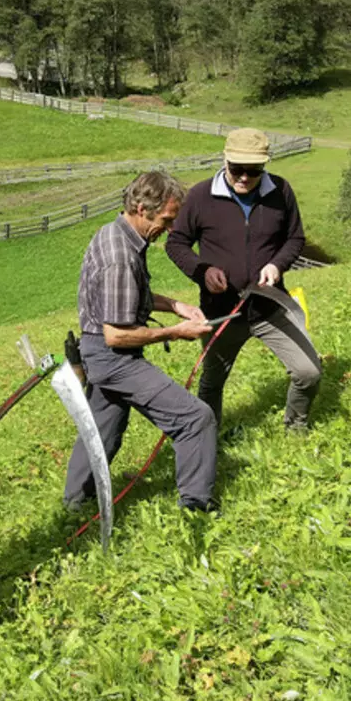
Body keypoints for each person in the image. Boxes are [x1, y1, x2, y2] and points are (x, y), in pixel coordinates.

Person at [63, 172, 220, 512]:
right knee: (195, 419)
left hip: (98, 354)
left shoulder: (117, 234)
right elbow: (116, 334)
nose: (170, 227)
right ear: (140, 208)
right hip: (112, 356)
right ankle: (196, 507)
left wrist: (176, 306)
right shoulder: (120, 255)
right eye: (166, 219)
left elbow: (132, 294)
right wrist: (175, 332)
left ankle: (75, 500)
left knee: (102, 430)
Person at [166, 127, 322, 432]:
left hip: (270, 308)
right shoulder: (200, 197)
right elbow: (176, 244)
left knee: (309, 372)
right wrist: (202, 271)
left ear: (264, 165)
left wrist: (277, 265)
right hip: (222, 313)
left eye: (253, 171)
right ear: (225, 161)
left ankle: (296, 428)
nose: (244, 178)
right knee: (211, 383)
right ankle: (207, 441)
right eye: (237, 169)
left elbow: (295, 238)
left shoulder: (281, 191)